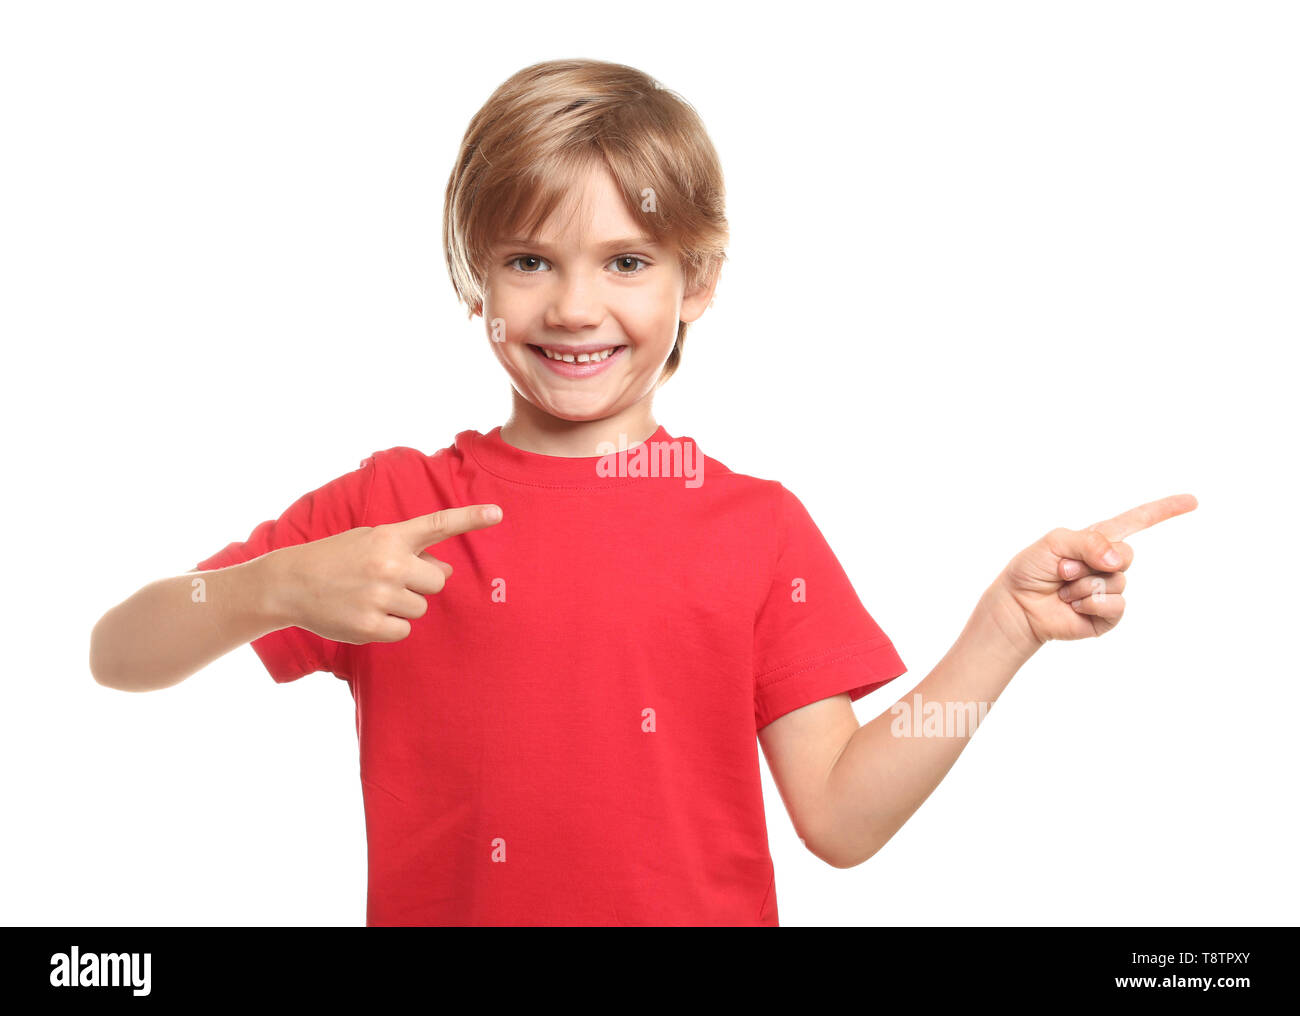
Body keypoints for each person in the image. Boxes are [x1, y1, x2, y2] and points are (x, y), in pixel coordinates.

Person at [88, 58, 1197, 926]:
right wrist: (268, 586)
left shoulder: (755, 526)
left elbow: (841, 818)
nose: (574, 306)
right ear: (476, 273)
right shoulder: (394, 503)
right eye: (529, 260)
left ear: (697, 280)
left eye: (625, 262)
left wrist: (1002, 631)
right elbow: (119, 651)